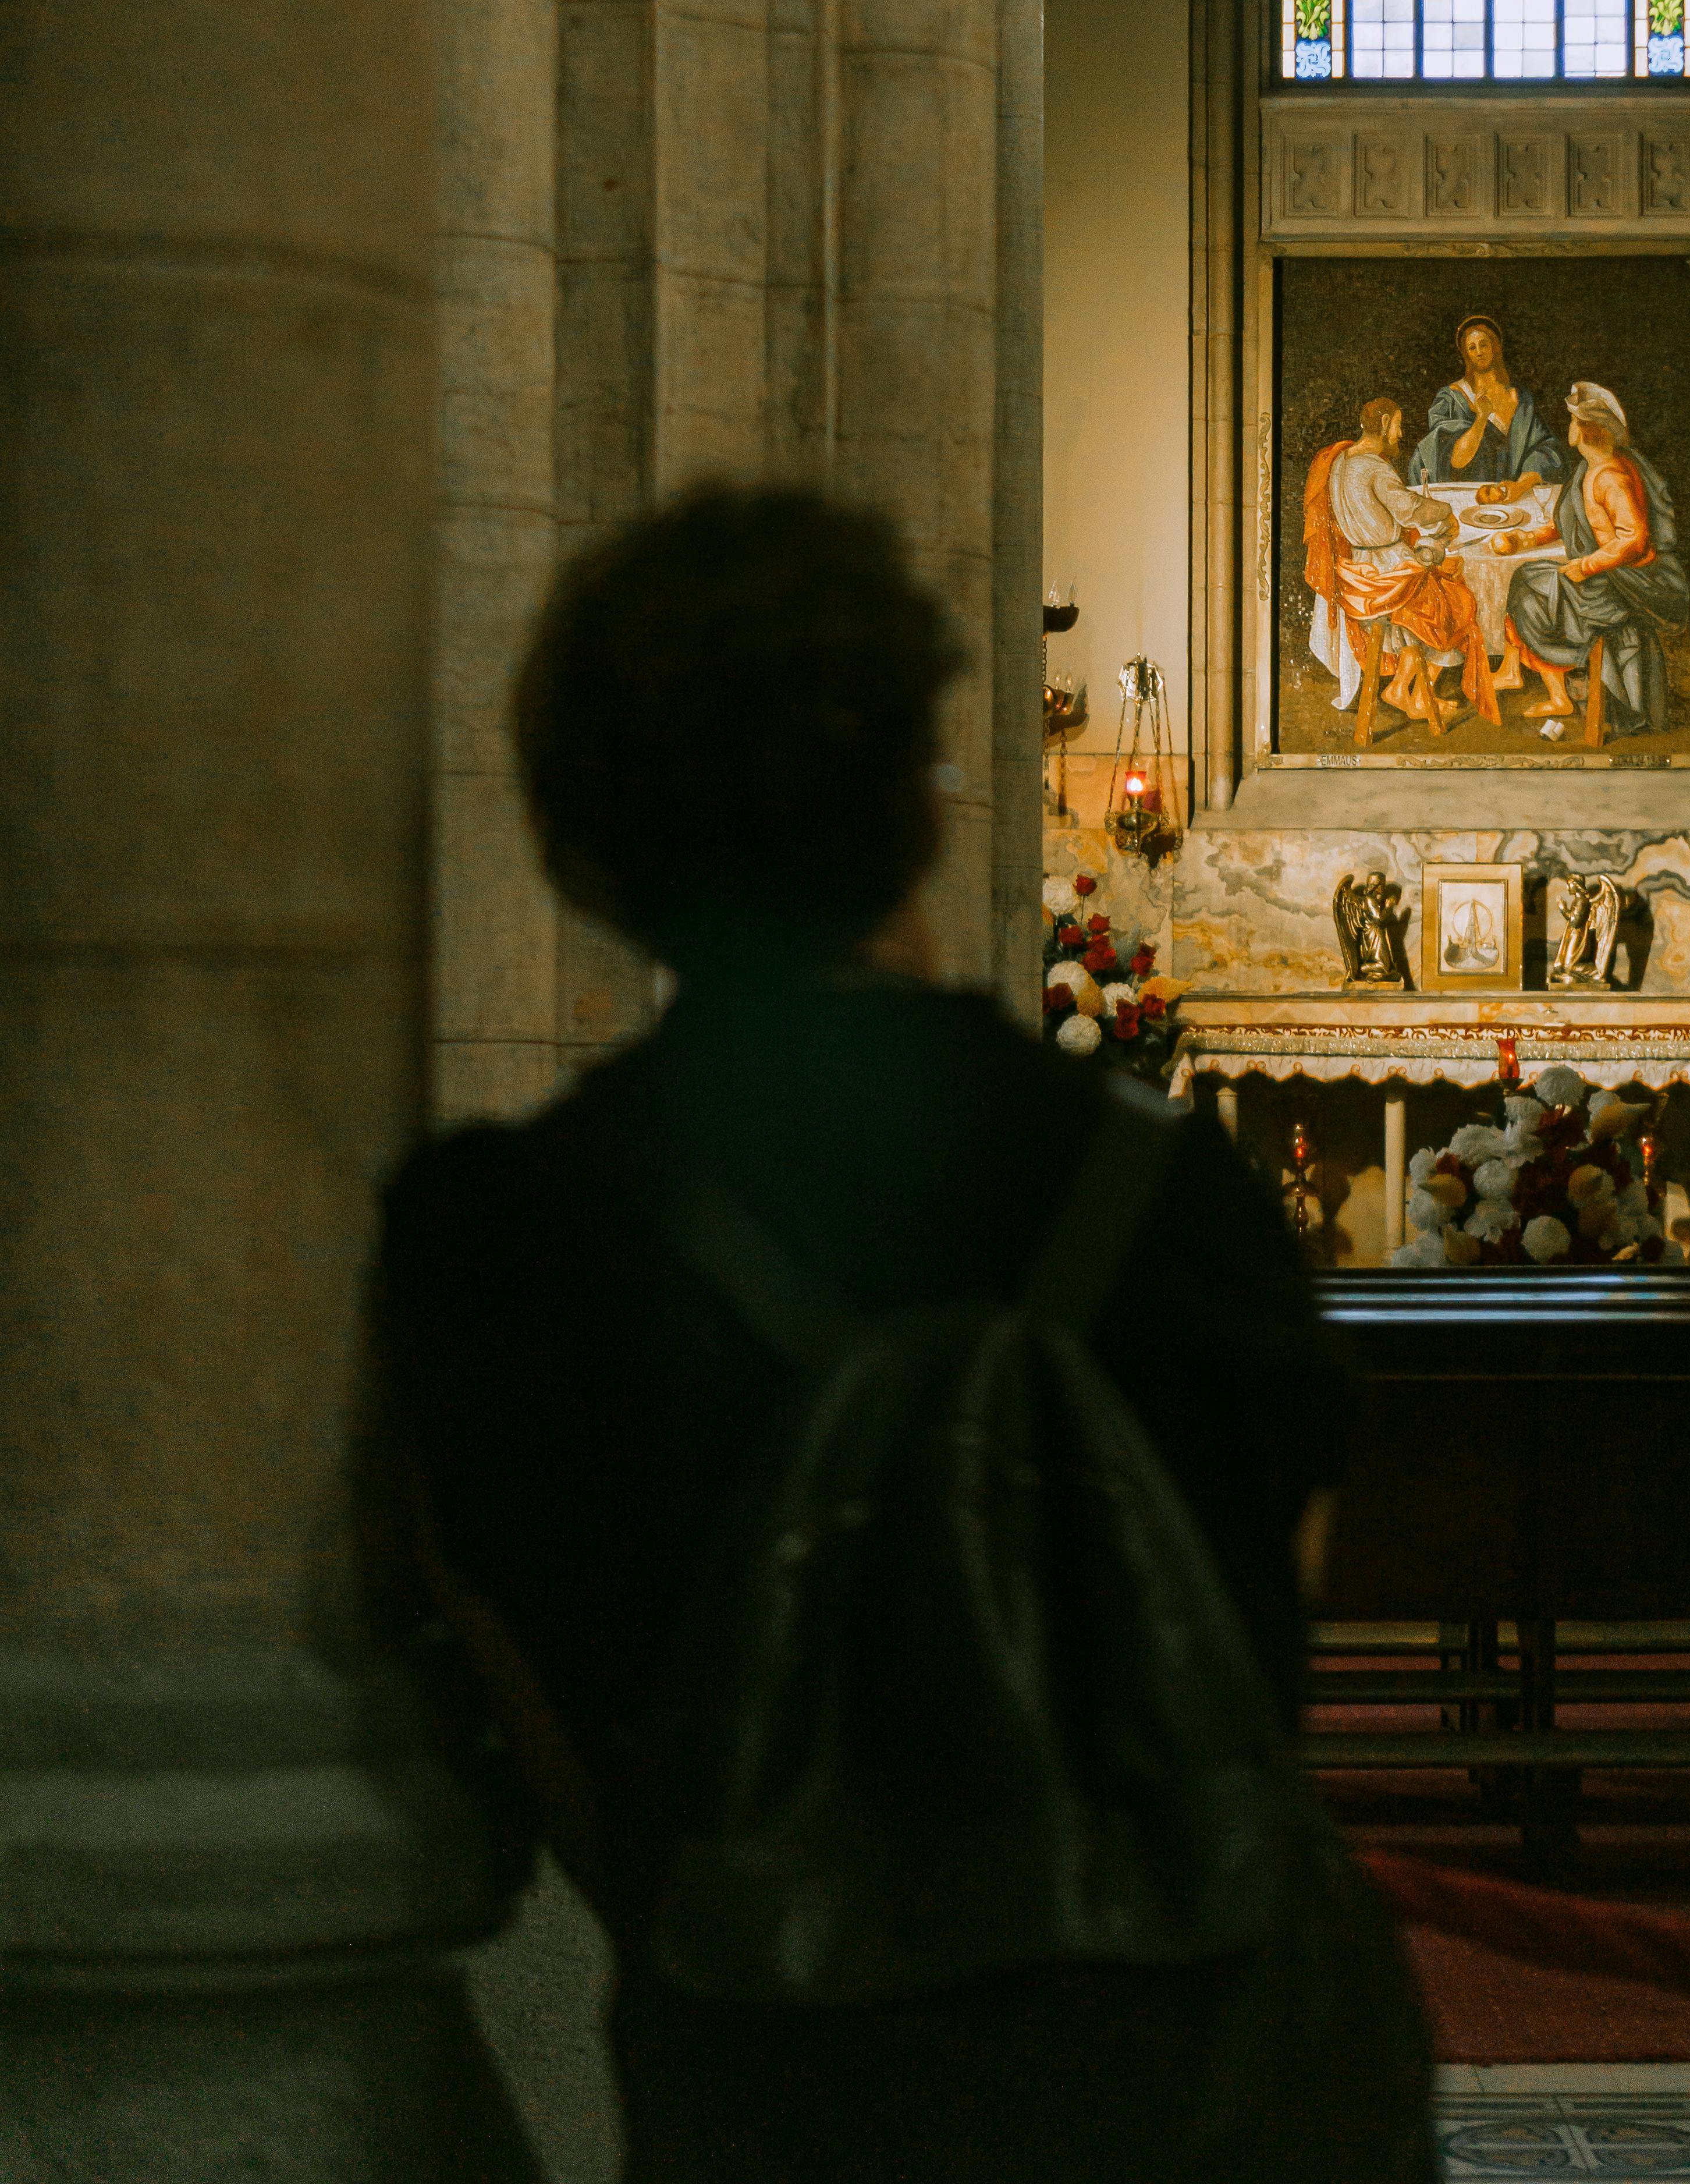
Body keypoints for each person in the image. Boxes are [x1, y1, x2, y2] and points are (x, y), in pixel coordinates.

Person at [364, 485, 1430, 2181]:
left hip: (777, 2081)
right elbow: (1257, 1650)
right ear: (922, 808)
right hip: (1204, 2085)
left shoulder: (495, 1236)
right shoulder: (1175, 1199)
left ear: (577, 836)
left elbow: (552, 1724)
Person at [1502, 380, 1690, 742]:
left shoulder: (1611, 477)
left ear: (1587, 430)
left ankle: (1572, 675)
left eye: (1573, 421)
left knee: (1529, 585)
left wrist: (1586, 566)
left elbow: (1634, 540)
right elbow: (1571, 523)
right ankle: (1566, 681)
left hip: (1622, 586)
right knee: (1529, 577)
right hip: (1605, 577)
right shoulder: (1592, 469)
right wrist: (1529, 538)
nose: (1569, 428)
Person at [1305, 395, 1492, 726]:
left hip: (1357, 572)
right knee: (1455, 602)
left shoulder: (1340, 462)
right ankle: (1413, 691)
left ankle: (1404, 689)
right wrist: (1445, 512)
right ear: (1386, 424)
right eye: (1399, 426)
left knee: (1430, 594)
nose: (1401, 434)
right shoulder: (1375, 467)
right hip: (1386, 570)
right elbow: (1410, 510)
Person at [1405, 313, 1561, 493]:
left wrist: (1522, 484)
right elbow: (1454, 460)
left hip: (1514, 494)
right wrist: (1481, 418)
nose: (1479, 352)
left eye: (1484, 345)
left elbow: (1546, 448)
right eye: (1472, 348)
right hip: (1469, 495)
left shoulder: (1520, 397)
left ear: (1495, 347)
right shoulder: (1451, 397)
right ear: (1466, 354)